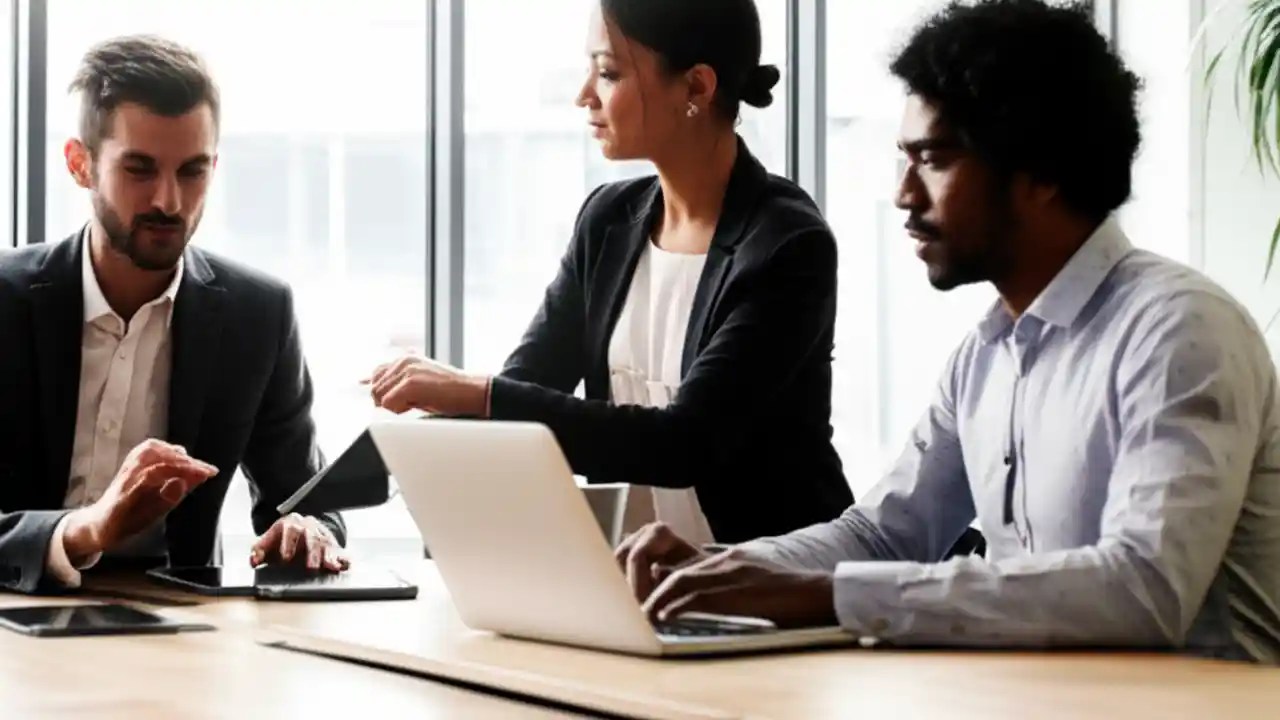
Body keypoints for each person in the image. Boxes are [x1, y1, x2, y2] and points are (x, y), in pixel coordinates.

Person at [615, 0, 1280, 663]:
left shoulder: (1179, 332)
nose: (904, 193)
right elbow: (882, 535)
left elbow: (1143, 589)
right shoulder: (986, 356)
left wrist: (832, 594)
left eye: (932, 159)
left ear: (1041, 173)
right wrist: (719, 570)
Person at [365, 0, 854, 544]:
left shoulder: (788, 245)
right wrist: (393, 452)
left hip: (776, 590)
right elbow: (528, 388)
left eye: (609, 72)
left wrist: (473, 391)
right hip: (636, 584)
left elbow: (683, 443)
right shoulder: (608, 220)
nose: (584, 95)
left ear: (696, 88)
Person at [0, 35, 348, 594]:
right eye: (139, 169)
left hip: (182, 621)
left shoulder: (258, 314)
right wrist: (82, 531)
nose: (169, 201)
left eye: (192, 172)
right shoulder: (6, 301)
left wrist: (306, 529)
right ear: (79, 164)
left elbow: (310, 501)